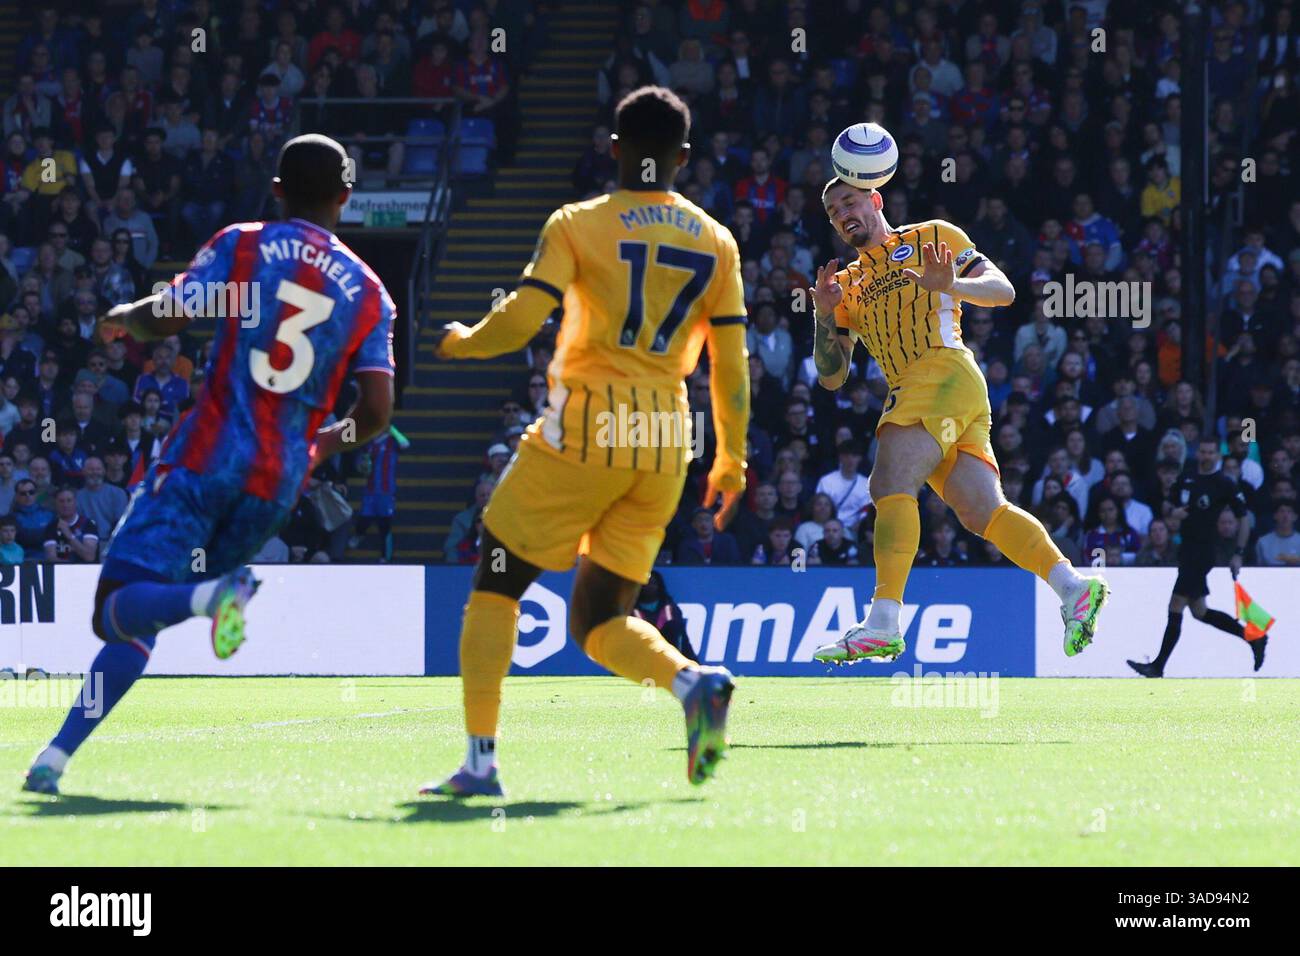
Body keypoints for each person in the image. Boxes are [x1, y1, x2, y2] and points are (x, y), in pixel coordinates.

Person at [23, 134, 397, 795]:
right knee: (150, 612)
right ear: (346, 196)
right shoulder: (369, 293)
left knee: (115, 608)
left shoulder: (245, 246)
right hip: (278, 486)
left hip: (205, 459)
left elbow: (166, 318)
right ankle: (55, 756)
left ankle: (207, 597)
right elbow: (376, 411)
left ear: (277, 189)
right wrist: (324, 445)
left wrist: (122, 318)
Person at [426, 87, 748, 797]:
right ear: (683, 159)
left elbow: (520, 320)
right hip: (667, 443)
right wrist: (732, 456)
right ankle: (691, 683)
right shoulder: (716, 241)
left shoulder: (577, 223)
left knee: (497, 585)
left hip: (585, 432)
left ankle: (480, 763)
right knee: (601, 618)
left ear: (614, 150)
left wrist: (464, 344)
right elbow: (730, 363)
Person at [808, 172, 1107, 666]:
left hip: (943, 369)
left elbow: (1004, 290)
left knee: (888, 485)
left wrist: (955, 284)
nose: (843, 214)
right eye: (834, 211)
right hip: (924, 389)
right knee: (980, 511)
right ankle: (1073, 586)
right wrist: (823, 316)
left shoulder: (934, 237)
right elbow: (831, 378)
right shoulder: (843, 286)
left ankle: (883, 621)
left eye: (850, 201)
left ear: (875, 198)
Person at [1127, 439, 1263, 678]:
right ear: (1198, 452)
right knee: (1200, 612)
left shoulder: (1224, 484)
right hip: (1187, 550)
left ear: (1217, 455)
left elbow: (1244, 519)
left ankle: (1157, 666)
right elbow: (1168, 505)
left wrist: (1238, 554)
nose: (1207, 455)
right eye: (1203, 451)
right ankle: (1254, 638)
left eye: (1211, 451)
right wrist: (1173, 512)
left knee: (1175, 605)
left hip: (1202, 552)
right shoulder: (1187, 477)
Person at [632, 570, 695, 662]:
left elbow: (682, 638)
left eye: (653, 583)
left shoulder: (670, 608)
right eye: (645, 583)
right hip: (641, 655)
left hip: (669, 655)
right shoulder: (631, 610)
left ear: (659, 586)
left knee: (672, 627)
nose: (649, 586)